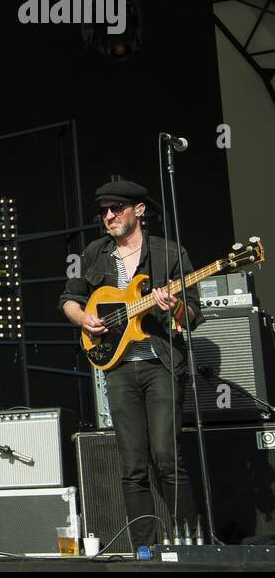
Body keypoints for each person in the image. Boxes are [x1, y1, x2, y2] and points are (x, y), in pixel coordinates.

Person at [59, 179, 201, 548]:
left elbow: (193, 315)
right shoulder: (94, 253)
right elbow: (70, 299)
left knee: (167, 456)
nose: (108, 216)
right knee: (133, 464)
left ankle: (189, 543)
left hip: (161, 363)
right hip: (119, 367)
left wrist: (176, 307)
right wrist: (83, 319)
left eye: (116, 209)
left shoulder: (169, 253)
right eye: (104, 211)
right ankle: (144, 548)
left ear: (139, 210)